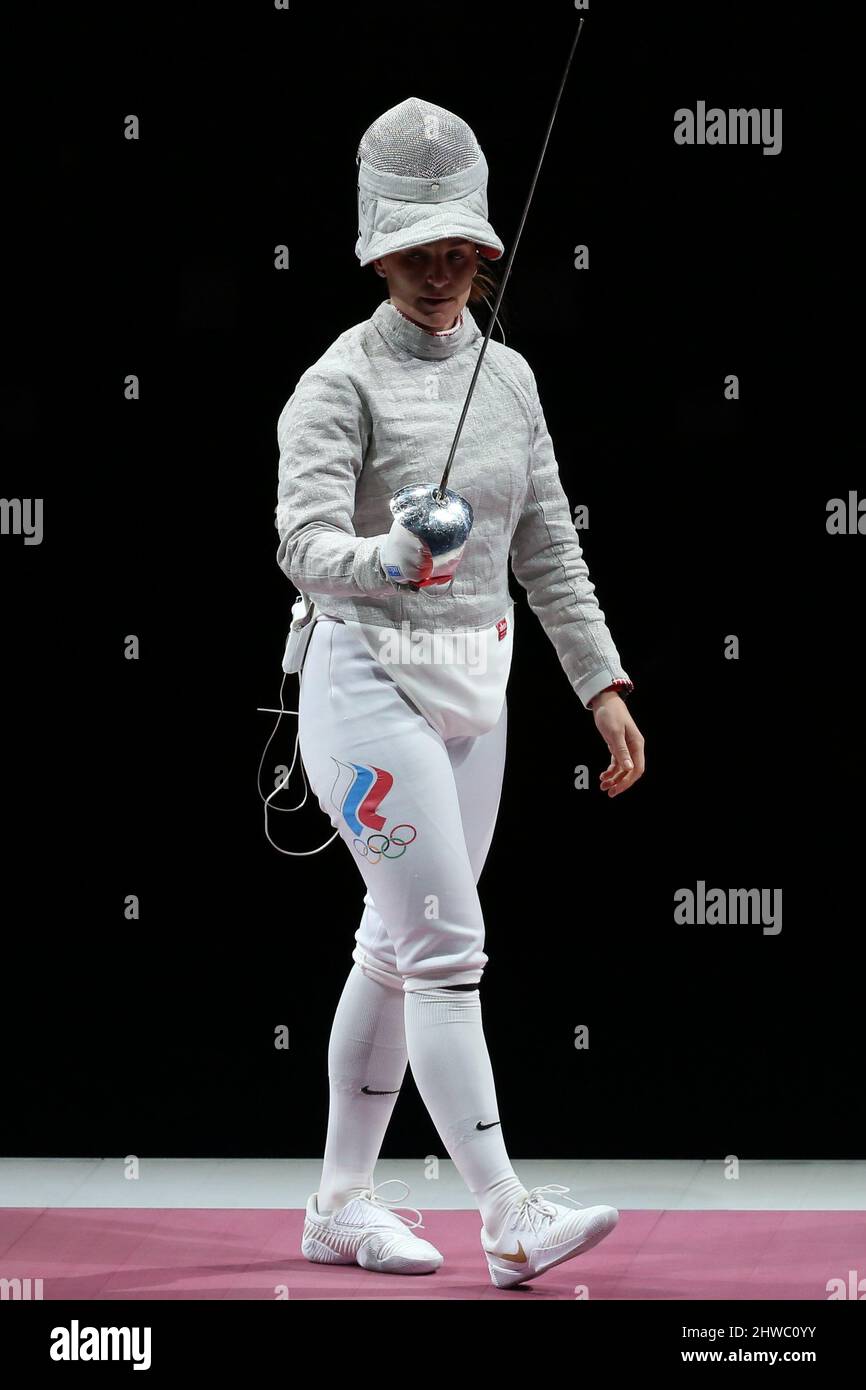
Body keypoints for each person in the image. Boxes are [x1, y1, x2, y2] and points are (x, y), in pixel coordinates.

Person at [274, 97, 646, 1289]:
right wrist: (384, 557)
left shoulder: (510, 379)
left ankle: (338, 1205)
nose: (438, 275)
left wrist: (599, 682)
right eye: (414, 254)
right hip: (365, 682)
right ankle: (504, 1212)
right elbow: (300, 544)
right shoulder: (335, 383)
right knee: (444, 947)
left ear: (483, 250)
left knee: (394, 945)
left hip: (476, 684)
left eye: (456, 252)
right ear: (375, 254)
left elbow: (549, 548)